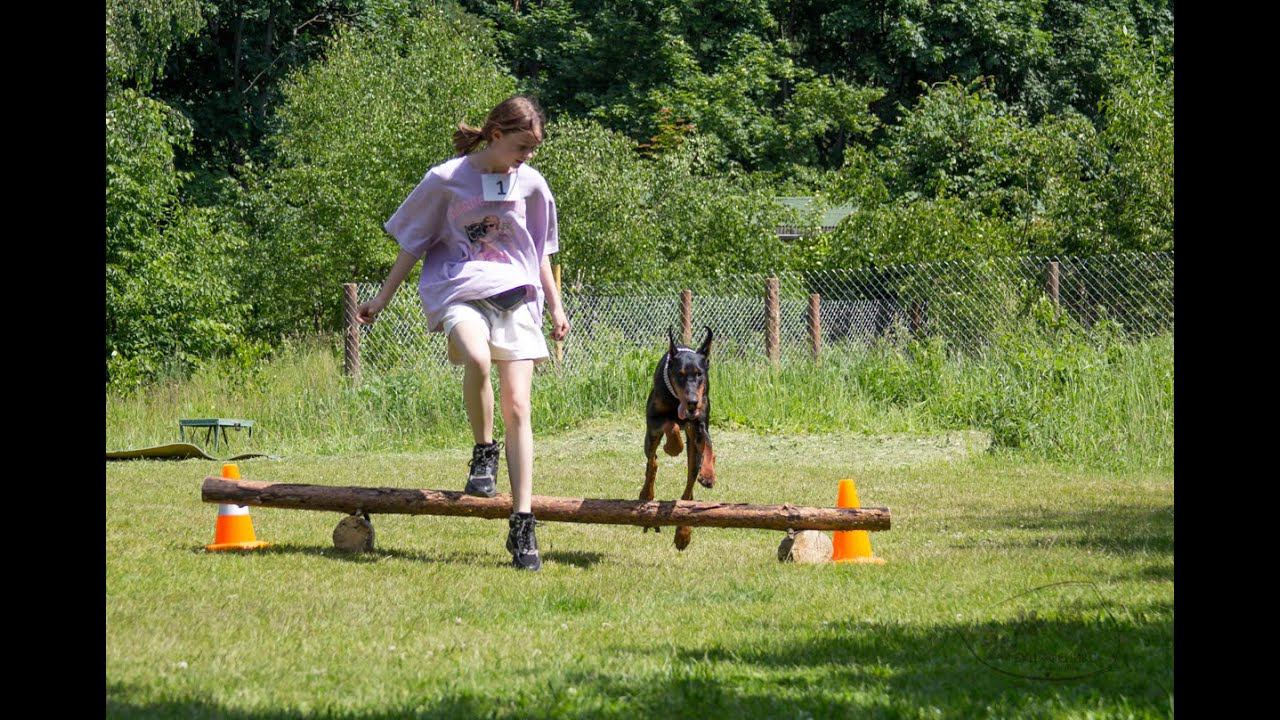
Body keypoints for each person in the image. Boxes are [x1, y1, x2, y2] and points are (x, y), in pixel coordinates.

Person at [355, 95, 570, 571]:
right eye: (521, 146)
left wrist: (556, 305)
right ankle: (483, 451)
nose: (527, 158)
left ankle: (523, 521)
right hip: (459, 290)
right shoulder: (446, 179)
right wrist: (381, 298)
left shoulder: (531, 184)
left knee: (519, 406)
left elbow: (540, 252)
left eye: (534, 149)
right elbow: (414, 243)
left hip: (518, 295)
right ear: (495, 136)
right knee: (475, 358)